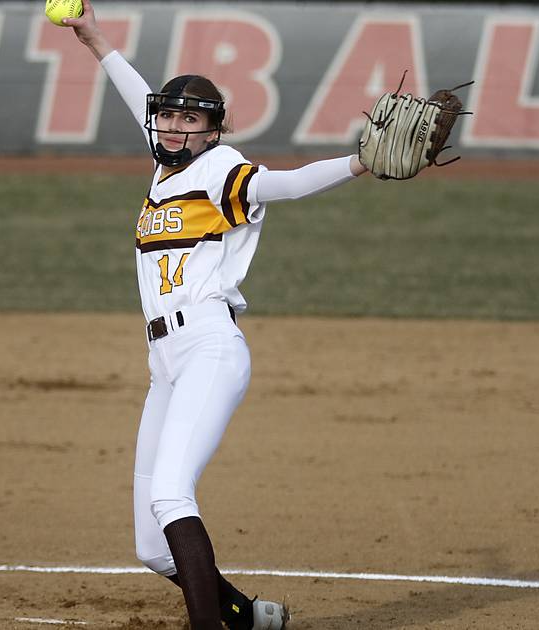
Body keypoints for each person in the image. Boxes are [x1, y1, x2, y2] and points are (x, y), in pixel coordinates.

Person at [65, 2, 368, 628]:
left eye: (189, 118)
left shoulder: (220, 171)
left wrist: (357, 164)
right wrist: (96, 41)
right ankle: (253, 617)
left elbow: (285, 184)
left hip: (208, 346)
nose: (173, 126)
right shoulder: (165, 167)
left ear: (212, 131)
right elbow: (138, 97)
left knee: (172, 493)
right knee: (151, 545)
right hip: (164, 363)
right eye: (167, 116)